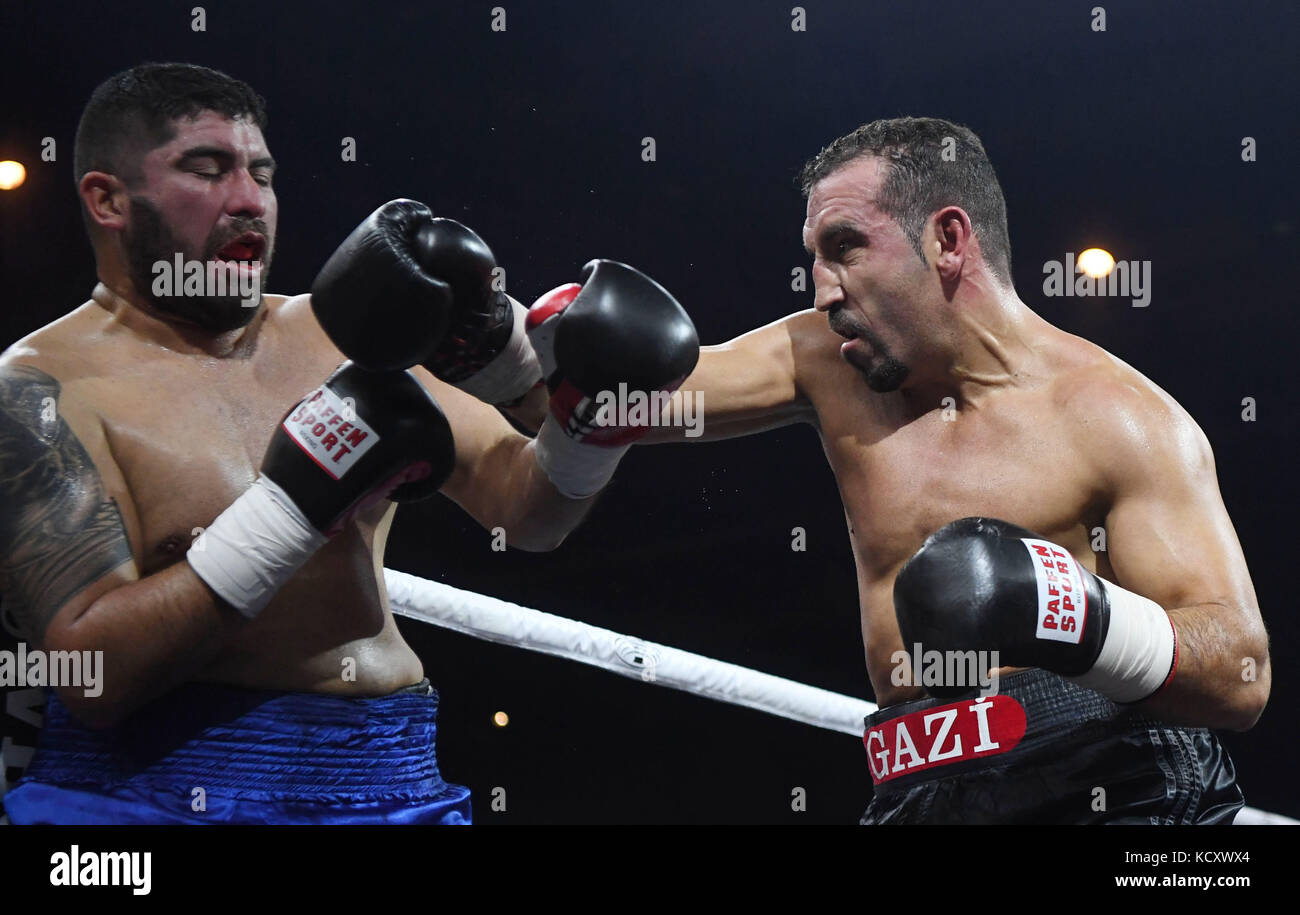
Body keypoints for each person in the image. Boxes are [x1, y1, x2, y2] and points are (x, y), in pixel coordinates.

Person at [0, 62, 696, 824]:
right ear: (107, 199)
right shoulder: (41, 389)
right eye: (208, 170)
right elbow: (94, 675)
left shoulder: (341, 331)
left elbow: (529, 513)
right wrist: (296, 505)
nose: (248, 202)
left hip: (396, 781)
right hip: (163, 793)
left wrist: (588, 424)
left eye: (261, 175)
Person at [642, 117, 1269, 823]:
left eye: (845, 248)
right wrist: (509, 339)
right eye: (815, 256)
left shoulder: (1117, 414)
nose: (822, 291)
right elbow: (623, 399)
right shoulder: (823, 361)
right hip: (914, 787)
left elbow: (1242, 672)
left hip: (1112, 778)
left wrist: (1076, 613)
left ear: (947, 239)